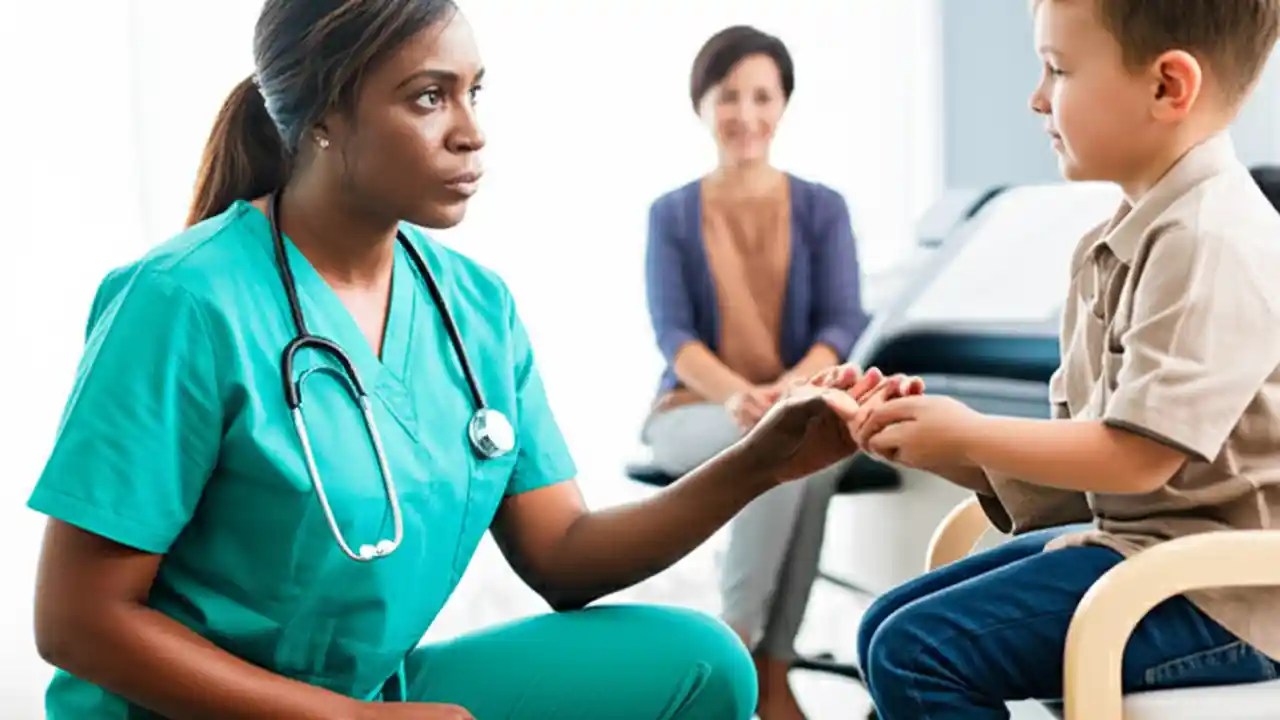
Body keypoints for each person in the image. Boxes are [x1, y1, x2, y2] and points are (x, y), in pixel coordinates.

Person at [24, 3, 913, 719]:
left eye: (474, 92)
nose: (471, 133)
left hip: (375, 694)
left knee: (703, 663)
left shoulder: (474, 307)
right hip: (195, 710)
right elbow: (78, 621)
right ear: (325, 116)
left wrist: (757, 465)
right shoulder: (183, 299)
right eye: (427, 97)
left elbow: (563, 554)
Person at [848, 0, 1280, 717]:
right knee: (882, 629)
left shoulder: (1214, 241)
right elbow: (1079, 476)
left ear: (1168, 87)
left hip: (1229, 594)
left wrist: (967, 431)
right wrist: (925, 439)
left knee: (915, 650)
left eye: (1058, 69)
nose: (1037, 97)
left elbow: (1138, 458)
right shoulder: (1119, 245)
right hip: (1147, 555)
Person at [641, 25, 869, 720]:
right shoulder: (672, 214)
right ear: (702, 105)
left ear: (784, 105)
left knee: (813, 453)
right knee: (781, 445)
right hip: (693, 409)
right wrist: (744, 398)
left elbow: (842, 323)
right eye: (728, 95)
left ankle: (772, 673)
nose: (746, 113)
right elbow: (674, 336)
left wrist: (795, 390)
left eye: (762, 96)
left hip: (795, 400)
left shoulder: (822, 208)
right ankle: (740, 658)